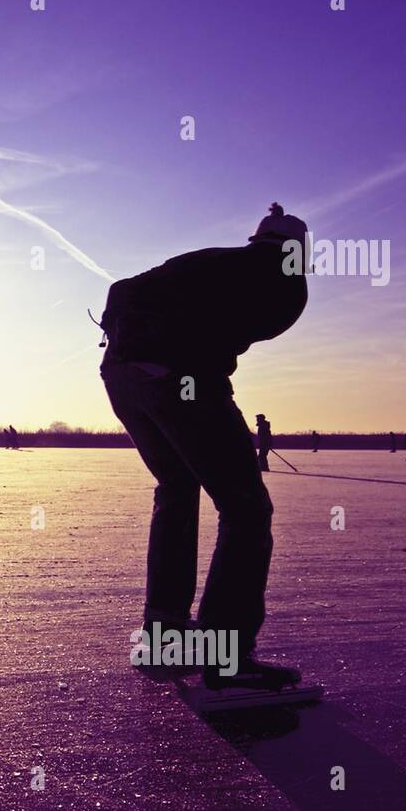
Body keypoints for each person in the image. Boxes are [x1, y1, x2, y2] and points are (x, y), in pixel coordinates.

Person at [99, 202, 309, 690]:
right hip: (179, 378)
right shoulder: (282, 273)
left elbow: (120, 289)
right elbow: (267, 320)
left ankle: (166, 636)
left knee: (177, 486)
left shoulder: (208, 258)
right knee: (246, 509)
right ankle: (227, 656)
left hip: (122, 375)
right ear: (296, 249)